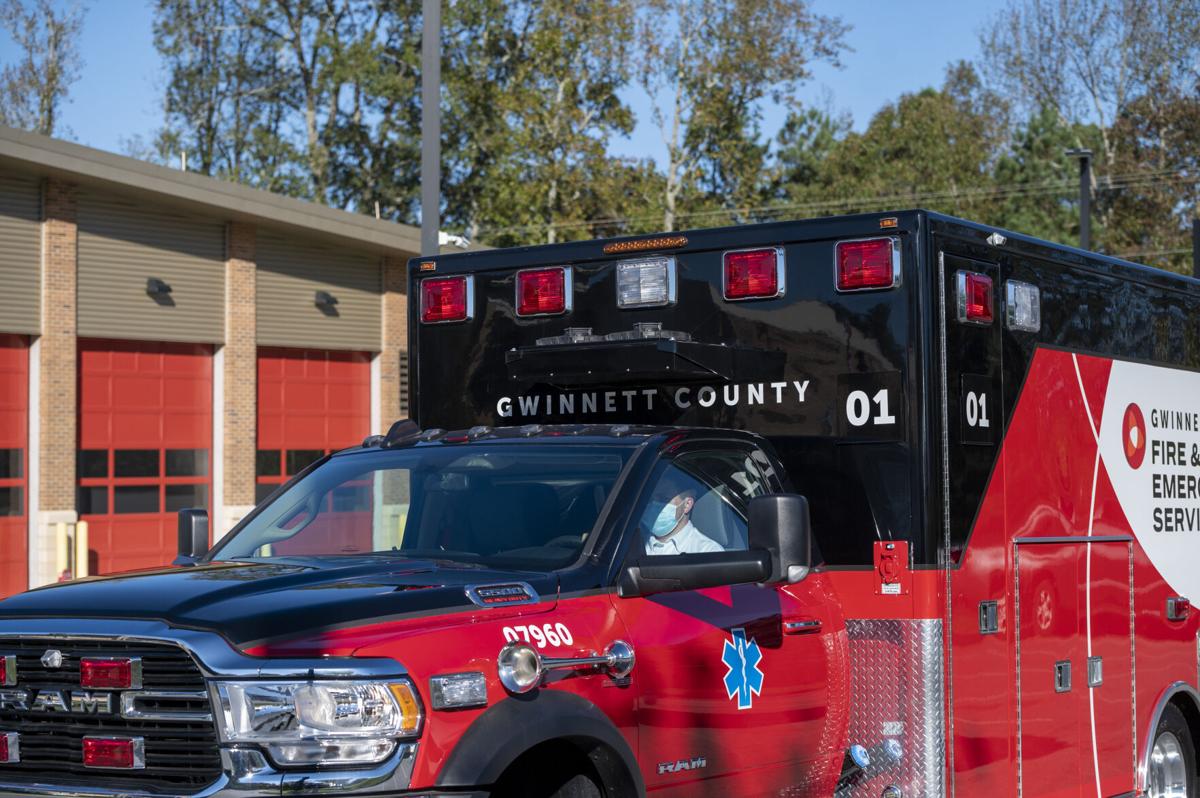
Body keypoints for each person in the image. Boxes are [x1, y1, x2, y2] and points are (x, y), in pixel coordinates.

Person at [642, 471, 724, 555]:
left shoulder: (707, 552)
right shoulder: (632, 541)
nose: (654, 504)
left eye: (663, 499)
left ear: (687, 505)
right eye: (650, 499)